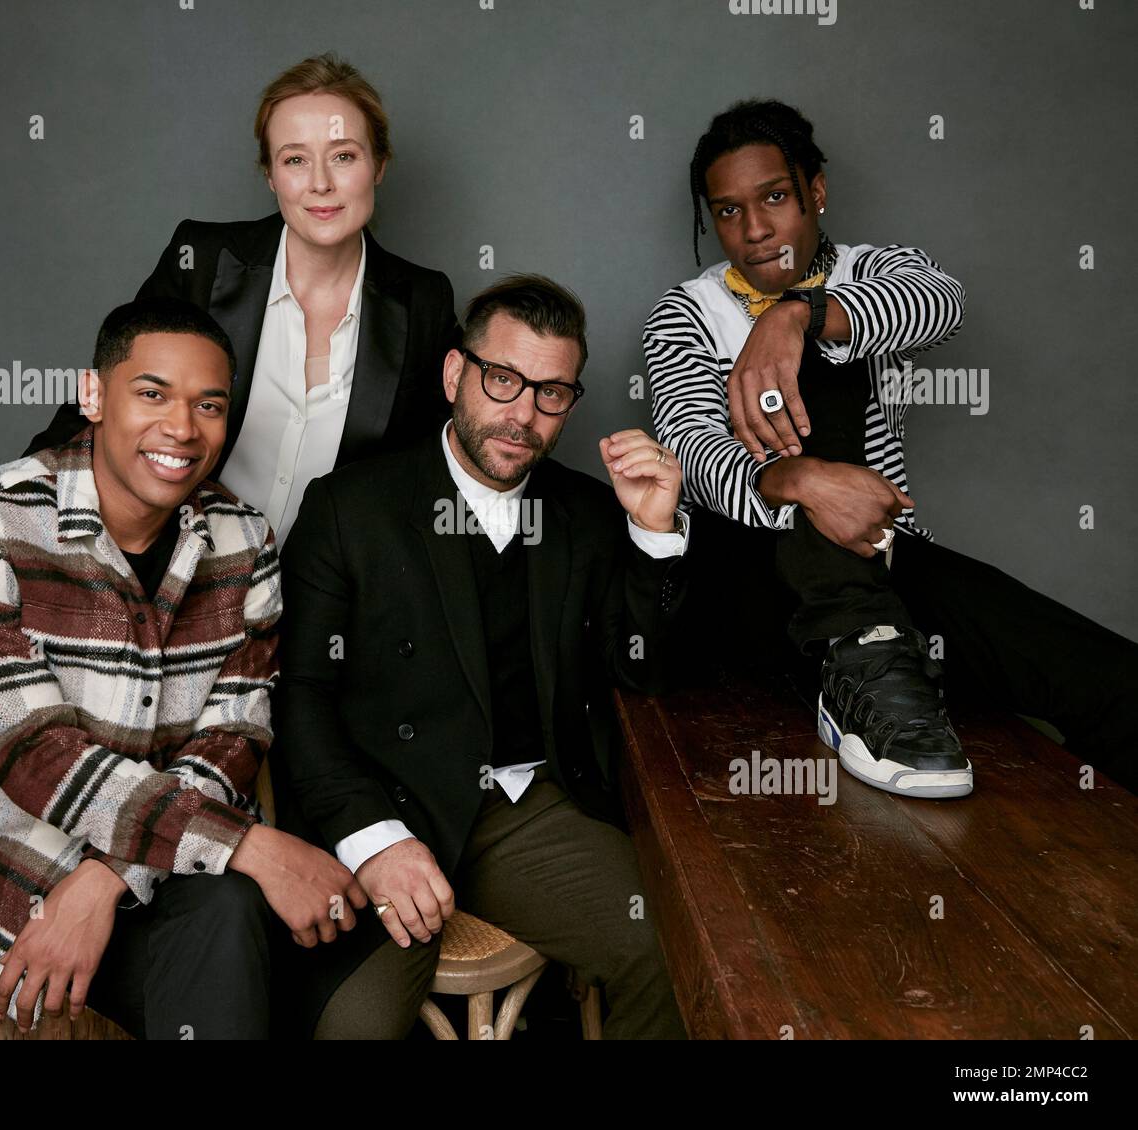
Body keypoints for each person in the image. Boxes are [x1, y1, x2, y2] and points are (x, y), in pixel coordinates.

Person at [0, 297, 367, 1039]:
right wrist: (250, 845)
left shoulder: (245, 542)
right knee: (235, 899)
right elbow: (32, 753)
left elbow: (232, 742)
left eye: (208, 405)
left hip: (173, 874)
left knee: (229, 910)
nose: (182, 429)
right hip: (18, 878)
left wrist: (108, 878)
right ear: (93, 396)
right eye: (151, 394)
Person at [644, 98, 1137, 797]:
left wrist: (800, 315)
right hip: (751, 580)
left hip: (883, 552)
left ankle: (872, 654)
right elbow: (691, 453)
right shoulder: (685, 313)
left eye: (775, 198)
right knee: (816, 373)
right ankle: (863, 646)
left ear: (816, 190)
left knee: (1109, 679)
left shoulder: (876, 270)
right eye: (727, 212)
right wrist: (803, 481)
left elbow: (942, 303)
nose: (754, 231)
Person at [275, 275, 690, 1039]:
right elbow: (299, 696)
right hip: (386, 806)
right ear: (453, 374)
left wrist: (655, 538)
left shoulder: (590, 513)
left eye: (552, 393)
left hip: (522, 811)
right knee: (352, 1027)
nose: (523, 414)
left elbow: (642, 673)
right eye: (503, 379)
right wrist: (374, 842)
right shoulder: (349, 507)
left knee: (673, 954)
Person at [0, 53, 458, 546]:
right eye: (295, 159)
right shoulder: (205, 260)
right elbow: (115, 386)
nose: (320, 183)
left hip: (336, 602)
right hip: (192, 572)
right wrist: (19, 484)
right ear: (270, 175)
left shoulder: (423, 301)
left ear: (380, 165)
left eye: (344, 156)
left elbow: (439, 460)